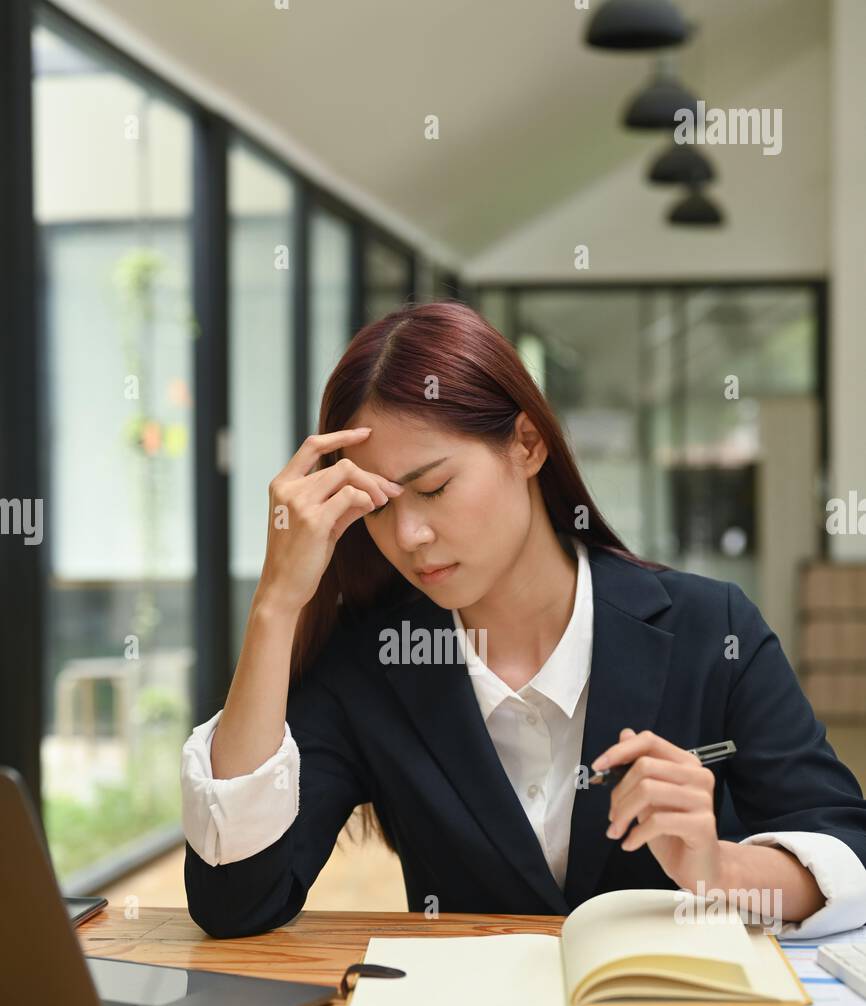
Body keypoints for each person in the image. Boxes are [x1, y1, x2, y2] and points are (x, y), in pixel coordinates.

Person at [181, 301, 866, 940]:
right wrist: (275, 606)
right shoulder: (371, 662)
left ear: (528, 445)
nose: (410, 533)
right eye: (378, 505)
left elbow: (846, 854)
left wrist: (720, 867)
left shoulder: (711, 628)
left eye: (435, 487)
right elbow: (236, 903)